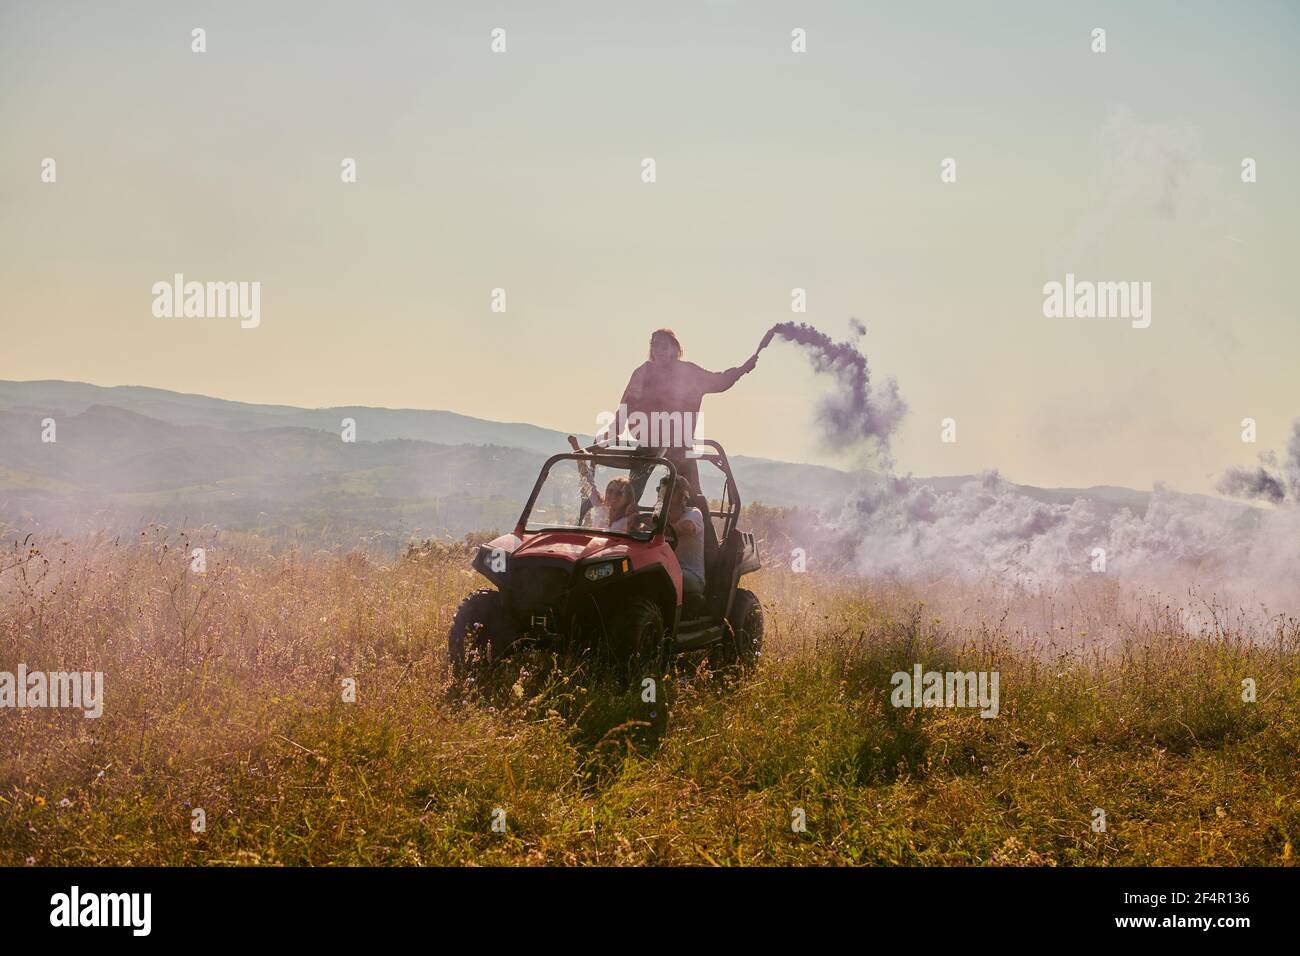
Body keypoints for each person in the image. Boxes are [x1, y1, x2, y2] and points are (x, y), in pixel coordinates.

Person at [595, 328, 759, 493]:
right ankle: (627, 514)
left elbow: (719, 381)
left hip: (679, 445)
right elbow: (627, 404)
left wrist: (742, 370)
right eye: (654, 345)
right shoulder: (643, 373)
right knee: (632, 492)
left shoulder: (688, 373)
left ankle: (698, 515)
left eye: (663, 346)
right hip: (648, 442)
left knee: (692, 492)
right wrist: (615, 429)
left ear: (674, 348)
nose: (658, 350)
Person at [665, 476, 707, 608]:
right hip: (668, 570)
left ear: (683, 498)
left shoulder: (694, 513)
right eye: (662, 493)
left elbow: (686, 527)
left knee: (660, 577)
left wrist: (653, 528)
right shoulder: (661, 516)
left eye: (670, 494)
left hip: (692, 576)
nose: (665, 498)